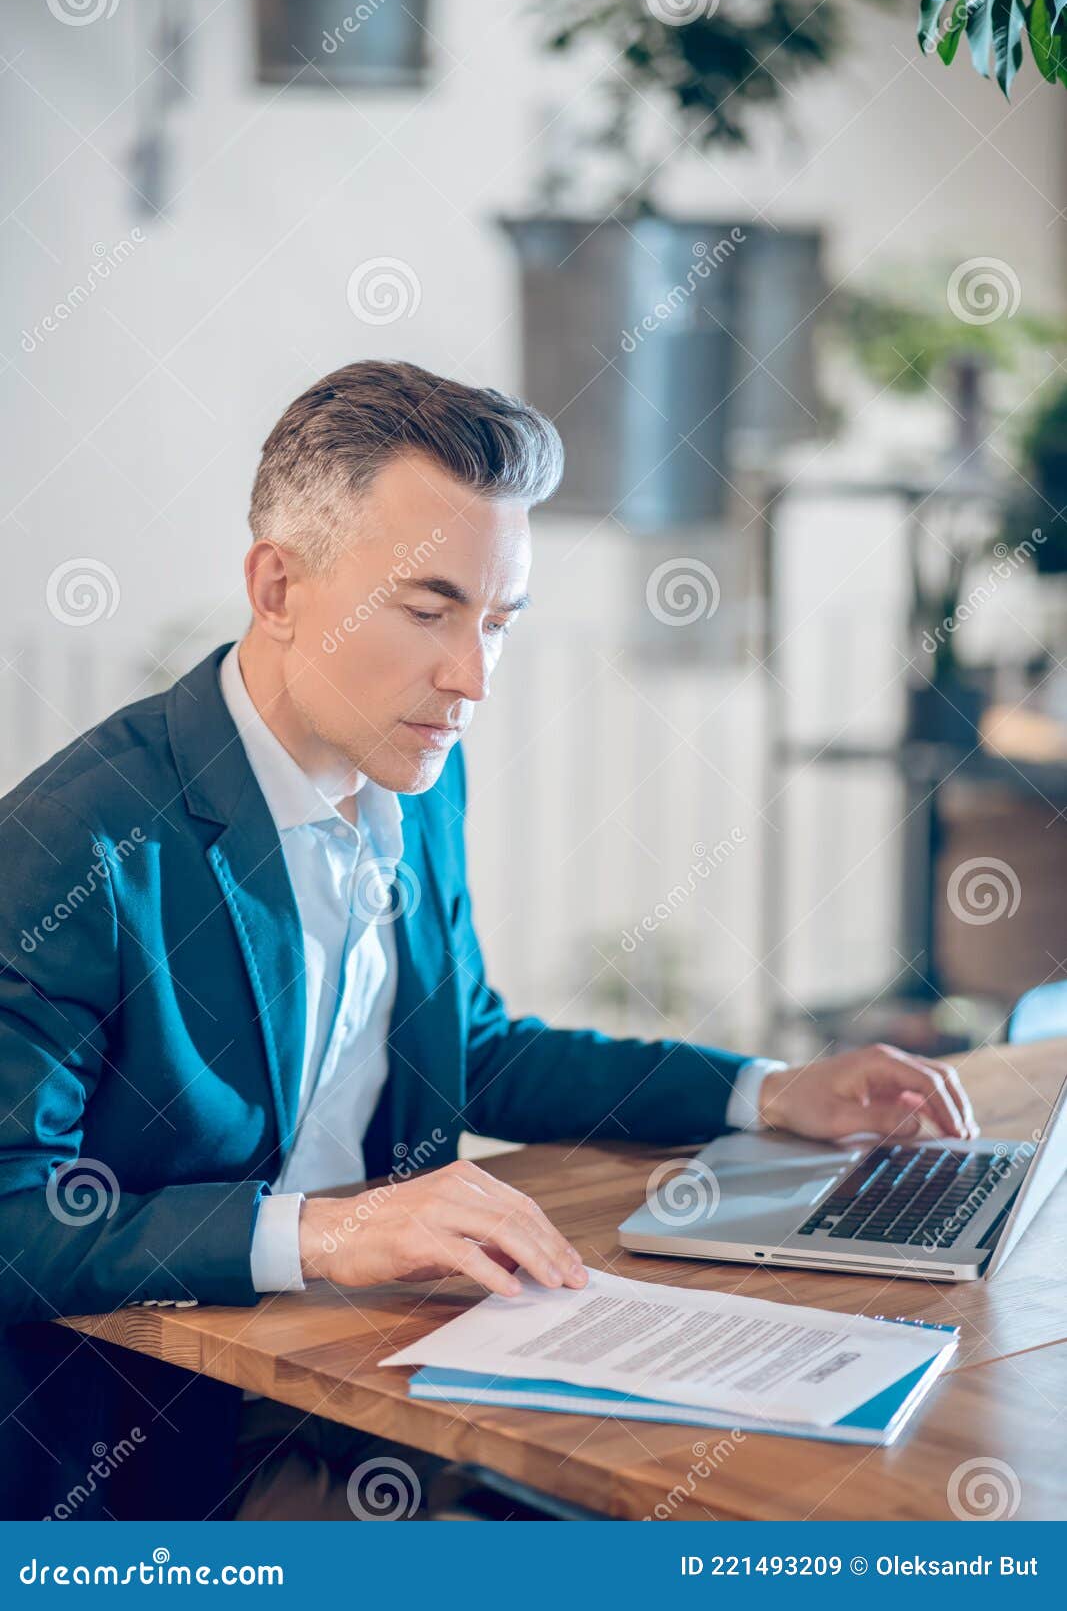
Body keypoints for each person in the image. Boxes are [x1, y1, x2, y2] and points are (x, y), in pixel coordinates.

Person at [0, 361, 976, 1520]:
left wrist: (765, 1093)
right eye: (426, 610)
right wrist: (324, 1233)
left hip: (378, 1370)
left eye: (498, 620)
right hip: (149, 1447)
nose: (470, 678)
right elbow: (15, 1210)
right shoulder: (78, 843)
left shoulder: (411, 769)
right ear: (276, 586)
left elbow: (470, 1043)